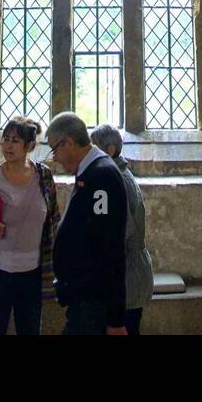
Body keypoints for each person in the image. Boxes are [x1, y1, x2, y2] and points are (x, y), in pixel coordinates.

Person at [0, 116, 59, 336]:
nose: (8, 145)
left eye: (15, 140)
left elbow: (54, 219)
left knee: (30, 329)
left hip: (33, 273)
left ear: (30, 146)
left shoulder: (44, 177)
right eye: (5, 139)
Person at [44, 111, 128, 336]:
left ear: (69, 143)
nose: (55, 158)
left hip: (94, 303)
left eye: (55, 149)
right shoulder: (88, 172)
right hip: (83, 299)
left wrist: (116, 318)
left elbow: (110, 247)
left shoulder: (102, 176)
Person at [92, 124, 154, 335]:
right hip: (126, 273)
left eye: (94, 147)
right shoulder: (117, 173)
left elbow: (119, 231)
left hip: (127, 275)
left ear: (109, 150)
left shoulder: (115, 179)